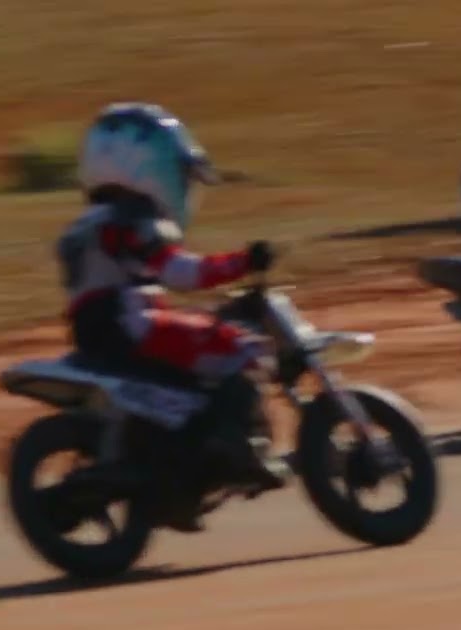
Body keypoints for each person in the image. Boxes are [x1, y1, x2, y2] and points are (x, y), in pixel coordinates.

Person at [56, 102, 291, 531]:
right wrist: (243, 262)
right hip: (133, 324)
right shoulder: (134, 220)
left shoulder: (84, 225)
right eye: (179, 175)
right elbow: (179, 272)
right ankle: (231, 452)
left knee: (196, 355)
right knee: (239, 345)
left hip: (97, 333)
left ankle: (181, 473)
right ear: (142, 163)